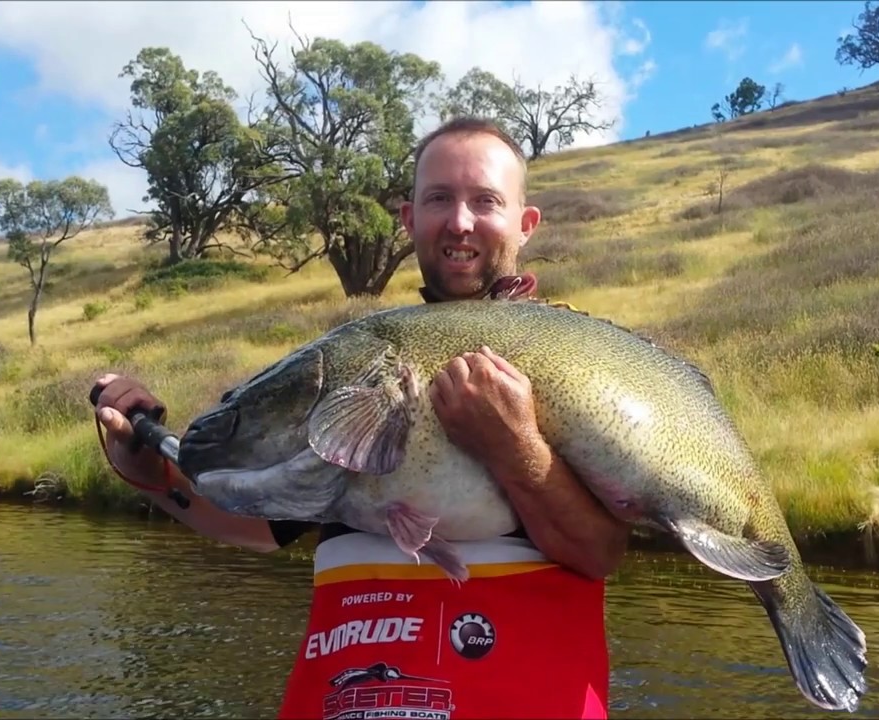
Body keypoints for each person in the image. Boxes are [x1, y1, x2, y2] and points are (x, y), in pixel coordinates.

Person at [92, 116, 629, 720]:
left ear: (525, 224)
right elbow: (258, 523)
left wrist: (516, 446)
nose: (459, 221)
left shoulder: (584, 369)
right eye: (439, 199)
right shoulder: (359, 363)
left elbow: (599, 552)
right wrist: (152, 475)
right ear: (409, 219)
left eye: (485, 201)